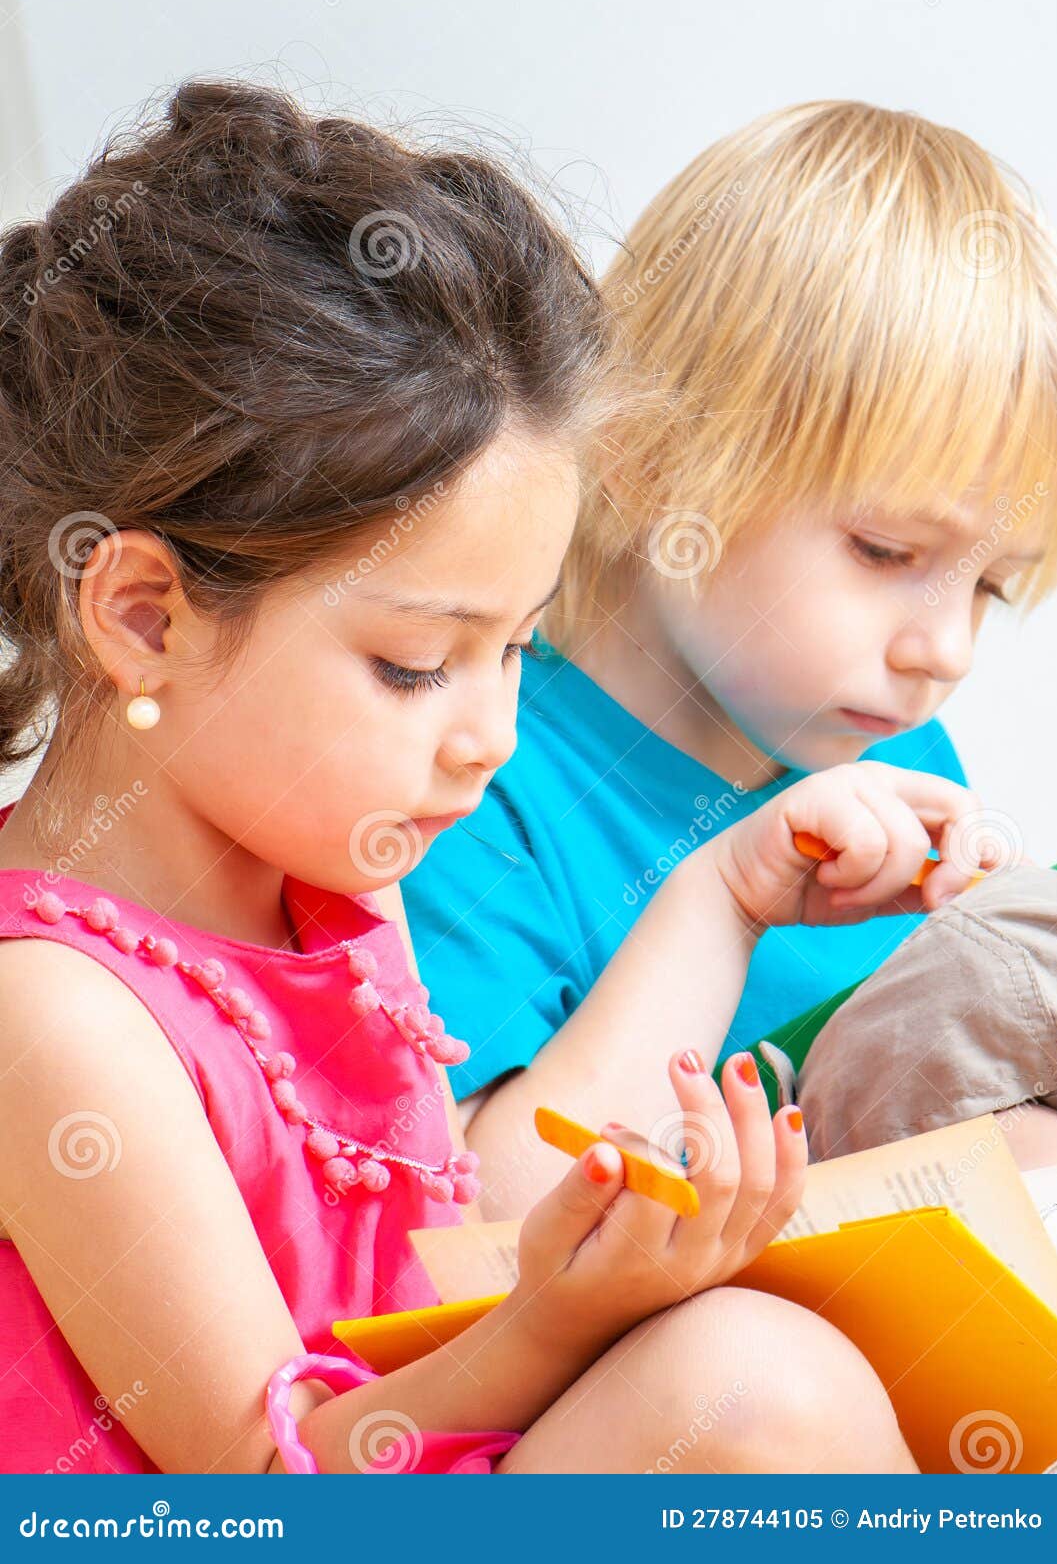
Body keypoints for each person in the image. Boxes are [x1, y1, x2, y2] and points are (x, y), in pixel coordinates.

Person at [0, 79, 968, 1475]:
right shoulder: (49, 1009)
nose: (489, 734)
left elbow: (408, 1304)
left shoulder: (335, 889)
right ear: (146, 615)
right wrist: (565, 1314)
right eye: (414, 664)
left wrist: (616, 1257)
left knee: (768, 1360)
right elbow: (269, 1491)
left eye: (516, 648)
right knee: (749, 1389)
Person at [401, 100, 1057, 1212]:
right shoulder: (474, 783)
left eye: (992, 588)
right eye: (886, 550)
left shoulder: (902, 752)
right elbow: (492, 1224)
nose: (944, 648)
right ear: (655, 462)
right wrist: (731, 899)